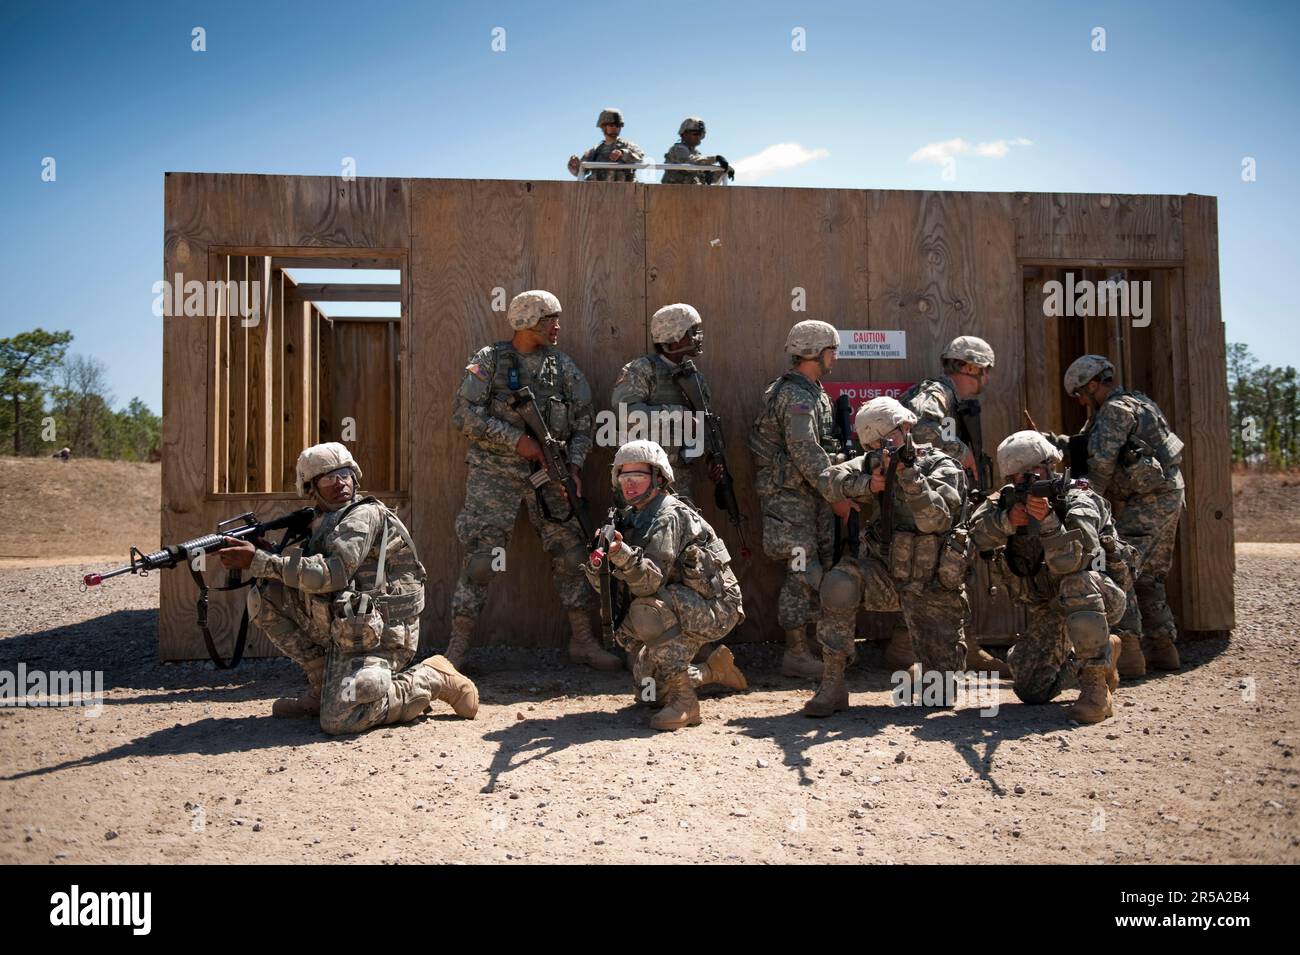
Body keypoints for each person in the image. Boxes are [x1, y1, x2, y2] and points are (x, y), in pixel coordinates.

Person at [218, 442, 478, 734]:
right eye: (329, 477)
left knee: (339, 718)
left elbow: (332, 574)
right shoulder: (326, 519)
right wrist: (270, 557)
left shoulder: (360, 517)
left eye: (345, 473)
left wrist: (259, 561)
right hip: (349, 626)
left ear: (355, 476)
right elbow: (313, 570)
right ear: (311, 489)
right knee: (267, 595)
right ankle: (322, 686)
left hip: (382, 634)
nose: (340, 482)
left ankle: (430, 677)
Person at [447, 290, 620, 672]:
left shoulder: (563, 368)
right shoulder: (489, 362)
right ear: (528, 322)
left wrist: (572, 467)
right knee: (481, 560)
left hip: (551, 476)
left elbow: (583, 421)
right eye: (549, 319)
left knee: (573, 554)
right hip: (495, 474)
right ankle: (455, 651)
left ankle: (583, 641)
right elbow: (464, 415)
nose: (557, 326)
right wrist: (515, 440)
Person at [809, 397, 970, 715]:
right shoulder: (873, 463)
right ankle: (833, 684)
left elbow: (934, 520)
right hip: (886, 576)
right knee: (839, 582)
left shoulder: (942, 465)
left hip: (932, 586)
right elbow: (826, 480)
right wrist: (870, 484)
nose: (885, 447)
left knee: (938, 698)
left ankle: (918, 663)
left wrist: (909, 479)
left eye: (892, 437)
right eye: (876, 444)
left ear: (908, 429)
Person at [586, 440, 746, 730]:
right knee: (648, 691)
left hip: (716, 607)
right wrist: (599, 568)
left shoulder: (668, 516)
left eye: (638, 478)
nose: (630, 486)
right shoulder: (632, 515)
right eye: (624, 478)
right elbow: (618, 589)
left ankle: (686, 703)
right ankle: (712, 671)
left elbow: (648, 583)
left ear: (659, 479)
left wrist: (621, 555)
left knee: (647, 610)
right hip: (680, 603)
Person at [968, 431, 1126, 724]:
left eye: (1033, 472)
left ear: (1051, 465)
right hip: (1051, 611)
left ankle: (1095, 688)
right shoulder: (1006, 501)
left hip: (1098, 598)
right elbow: (973, 536)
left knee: (1075, 579)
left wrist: (1050, 522)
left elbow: (1074, 561)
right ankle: (1103, 652)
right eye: (1018, 476)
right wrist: (1005, 522)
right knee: (1031, 689)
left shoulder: (1080, 497)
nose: (1026, 481)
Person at [1057, 355, 1185, 676]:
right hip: (1168, 497)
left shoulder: (1114, 411)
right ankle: (1163, 650)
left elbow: (1099, 466)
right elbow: (1091, 442)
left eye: (1081, 395)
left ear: (1093, 385)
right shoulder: (1139, 402)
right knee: (1150, 574)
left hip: (1146, 503)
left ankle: (1128, 654)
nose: (1081, 402)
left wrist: (1085, 509)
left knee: (1120, 569)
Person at [747, 320, 855, 680]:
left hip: (808, 497)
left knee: (818, 567)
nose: (835, 357)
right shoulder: (795, 396)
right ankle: (795, 652)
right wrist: (835, 493)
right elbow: (804, 449)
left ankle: (818, 644)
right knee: (801, 570)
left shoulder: (813, 392)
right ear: (817, 353)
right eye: (832, 351)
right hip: (791, 499)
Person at [900, 335, 1010, 676]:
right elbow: (919, 432)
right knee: (935, 570)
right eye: (985, 371)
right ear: (970, 367)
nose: (987, 379)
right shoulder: (935, 393)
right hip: (927, 502)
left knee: (949, 568)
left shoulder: (950, 399)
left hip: (938, 500)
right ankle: (908, 646)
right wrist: (961, 452)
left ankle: (965, 642)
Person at [609, 302, 723, 507]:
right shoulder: (641, 370)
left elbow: (702, 422)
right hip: (644, 476)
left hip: (679, 477)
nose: (698, 337)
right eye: (692, 332)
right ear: (675, 337)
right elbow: (629, 414)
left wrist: (710, 459)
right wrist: (676, 413)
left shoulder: (694, 377)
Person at [567, 108, 646, 182]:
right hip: (599, 193)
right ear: (603, 126)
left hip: (623, 191)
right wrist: (574, 165)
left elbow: (640, 158)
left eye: (618, 125)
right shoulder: (595, 151)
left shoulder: (628, 145)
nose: (615, 128)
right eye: (611, 125)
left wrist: (623, 153)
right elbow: (579, 172)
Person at [661, 117, 734, 185]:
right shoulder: (678, 149)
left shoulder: (696, 153)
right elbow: (690, 162)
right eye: (695, 134)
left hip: (691, 193)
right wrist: (716, 158)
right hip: (673, 192)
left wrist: (724, 170)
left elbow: (710, 178)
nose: (698, 137)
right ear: (684, 134)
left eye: (700, 134)